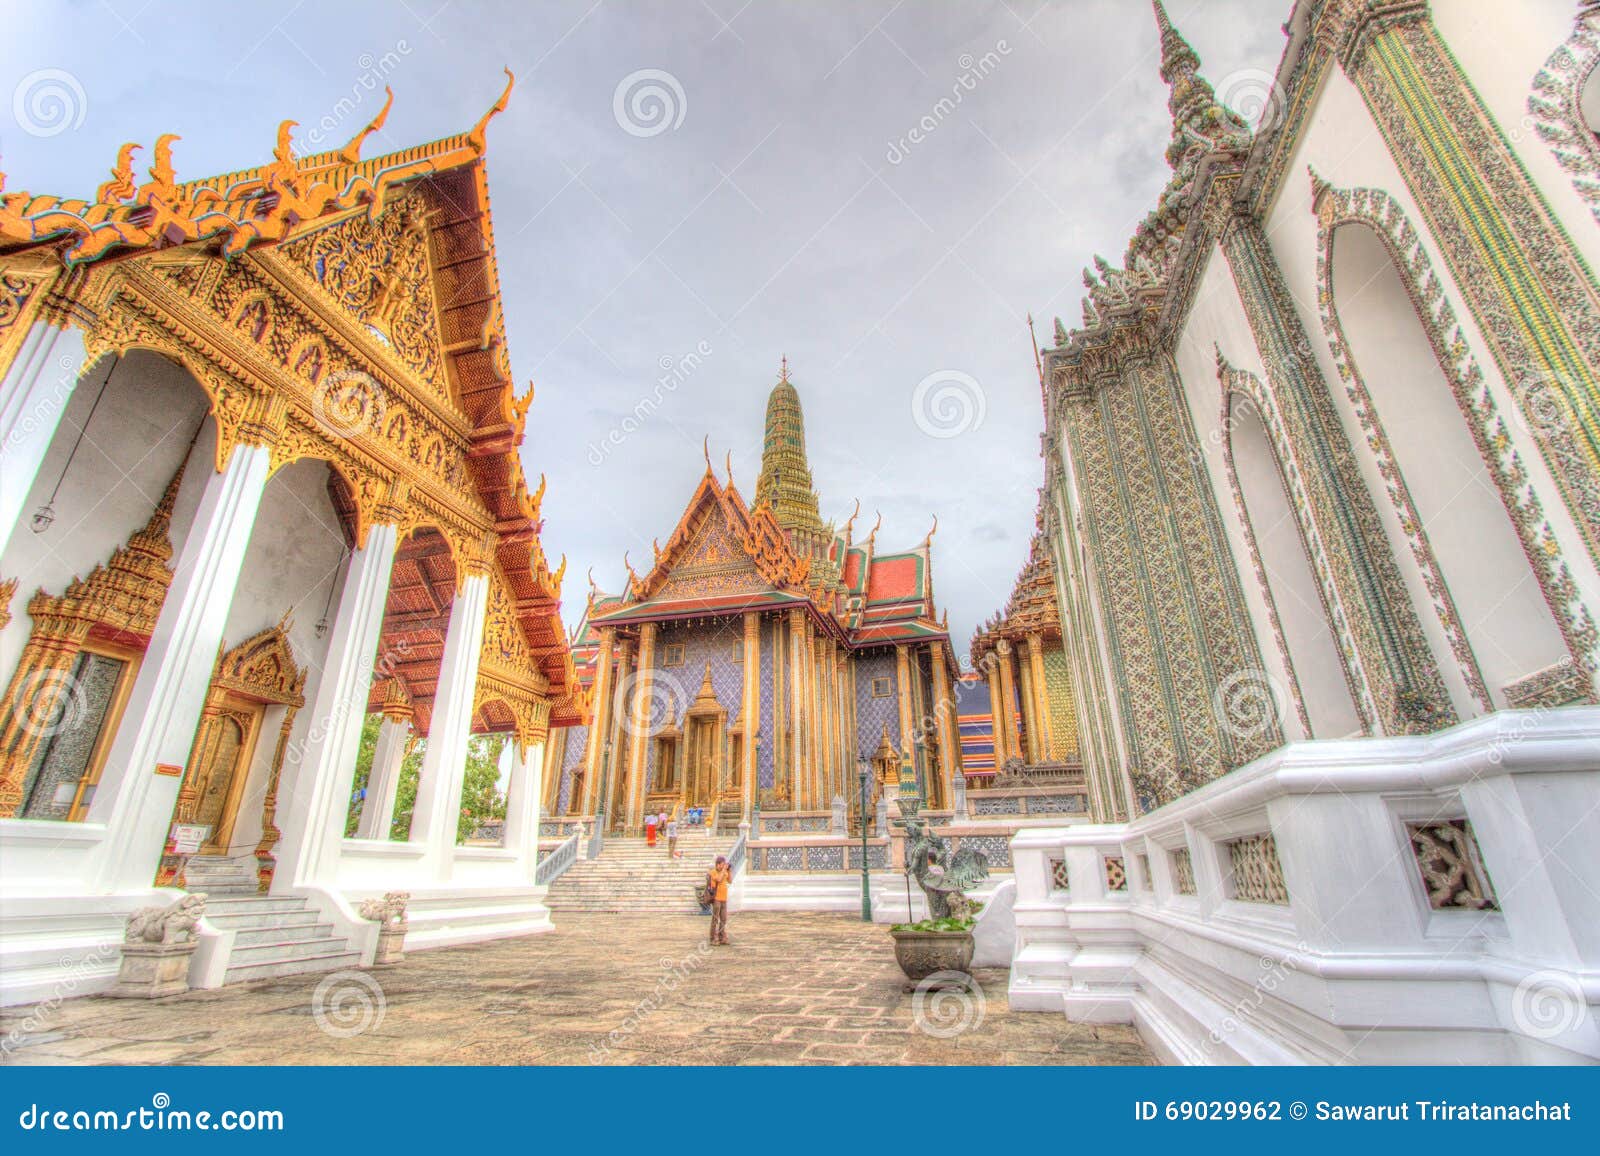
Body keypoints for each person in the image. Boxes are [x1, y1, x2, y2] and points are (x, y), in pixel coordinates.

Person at [708, 855, 732, 946]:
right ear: (717, 865)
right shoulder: (713, 872)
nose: (723, 866)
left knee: (723, 919)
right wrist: (723, 871)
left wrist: (729, 871)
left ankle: (722, 937)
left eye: (724, 864)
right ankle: (713, 938)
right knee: (715, 919)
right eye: (722, 864)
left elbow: (730, 881)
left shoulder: (724, 871)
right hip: (716, 898)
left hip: (724, 898)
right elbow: (718, 879)